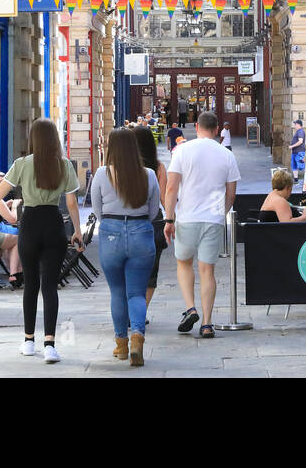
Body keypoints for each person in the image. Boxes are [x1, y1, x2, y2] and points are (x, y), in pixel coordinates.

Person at [0, 118, 84, 363]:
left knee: (31, 284)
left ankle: (28, 341)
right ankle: (51, 344)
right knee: (50, 286)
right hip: (54, 224)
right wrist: (77, 231)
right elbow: (72, 203)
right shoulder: (64, 165)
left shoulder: (22, 164)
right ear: (54, 138)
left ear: (33, 138)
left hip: (30, 223)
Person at [163, 110, 240, 339]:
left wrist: (169, 218)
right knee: (208, 271)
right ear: (217, 130)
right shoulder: (226, 154)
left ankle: (191, 308)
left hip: (186, 217)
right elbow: (231, 193)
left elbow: (171, 187)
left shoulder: (182, 151)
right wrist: (221, 213)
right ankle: (207, 323)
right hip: (212, 219)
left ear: (196, 127)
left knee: (183, 263)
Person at [91, 128, 160, 367]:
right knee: (136, 293)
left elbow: (96, 208)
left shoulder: (101, 174)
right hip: (141, 231)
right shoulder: (149, 175)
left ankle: (121, 344)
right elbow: (154, 210)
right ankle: (138, 337)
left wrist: (111, 224)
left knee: (118, 292)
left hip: (111, 232)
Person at [131, 125, 170, 314]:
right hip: (154, 222)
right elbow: (164, 197)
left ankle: (130, 311)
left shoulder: (125, 168)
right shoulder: (159, 167)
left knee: (129, 271)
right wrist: (171, 219)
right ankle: (141, 312)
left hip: (130, 221)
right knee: (150, 274)